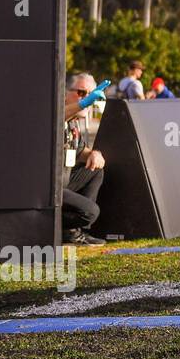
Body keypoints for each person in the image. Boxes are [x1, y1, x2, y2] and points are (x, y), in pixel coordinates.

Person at [61, 73, 107, 246]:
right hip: (47, 189)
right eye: (81, 92)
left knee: (95, 170)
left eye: (91, 94)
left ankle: (75, 233)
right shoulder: (54, 114)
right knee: (90, 212)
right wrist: (83, 104)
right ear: (65, 93)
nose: (87, 98)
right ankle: (59, 228)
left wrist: (94, 153)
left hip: (65, 183)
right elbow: (58, 116)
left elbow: (80, 151)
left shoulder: (73, 122)